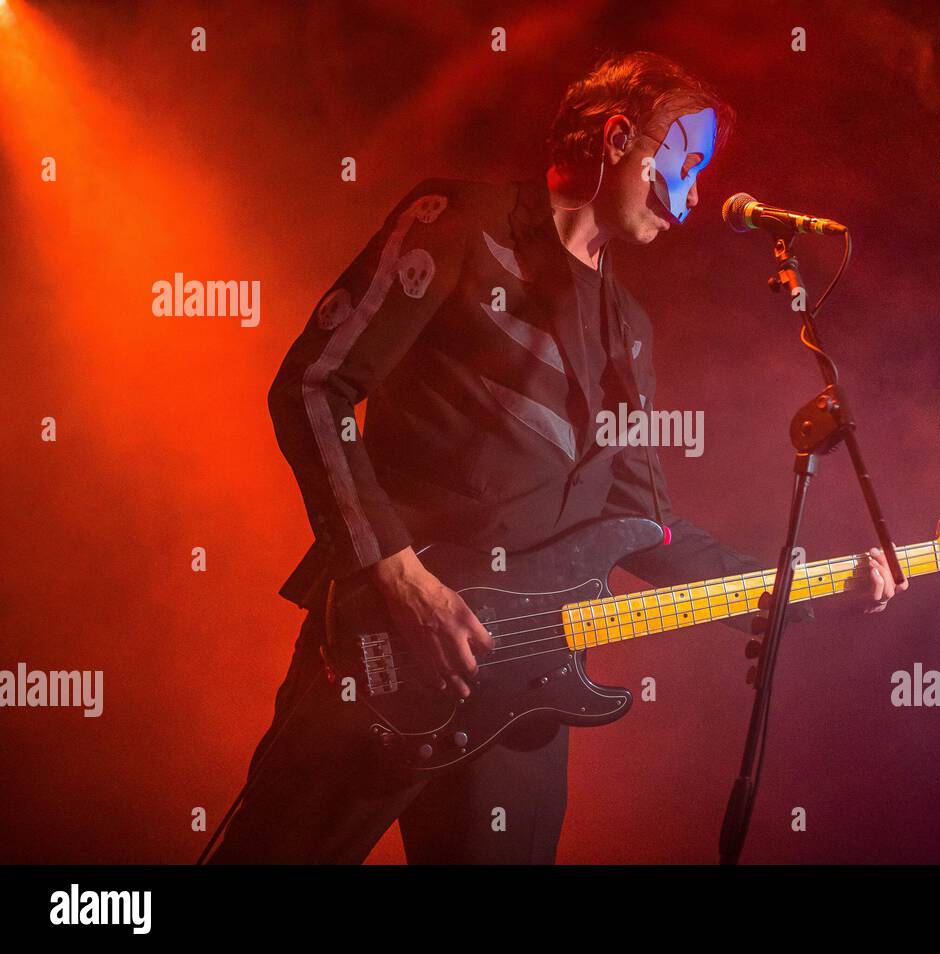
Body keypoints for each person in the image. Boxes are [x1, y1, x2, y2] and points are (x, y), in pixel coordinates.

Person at [208, 50, 903, 865]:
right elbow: (312, 389)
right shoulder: (458, 221)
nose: (698, 191)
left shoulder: (629, 330)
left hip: (524, 695)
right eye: (688, 162)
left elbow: (648, 530)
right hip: (384, 649)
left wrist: (812, 591)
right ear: (619, 140)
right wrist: (395, 576)